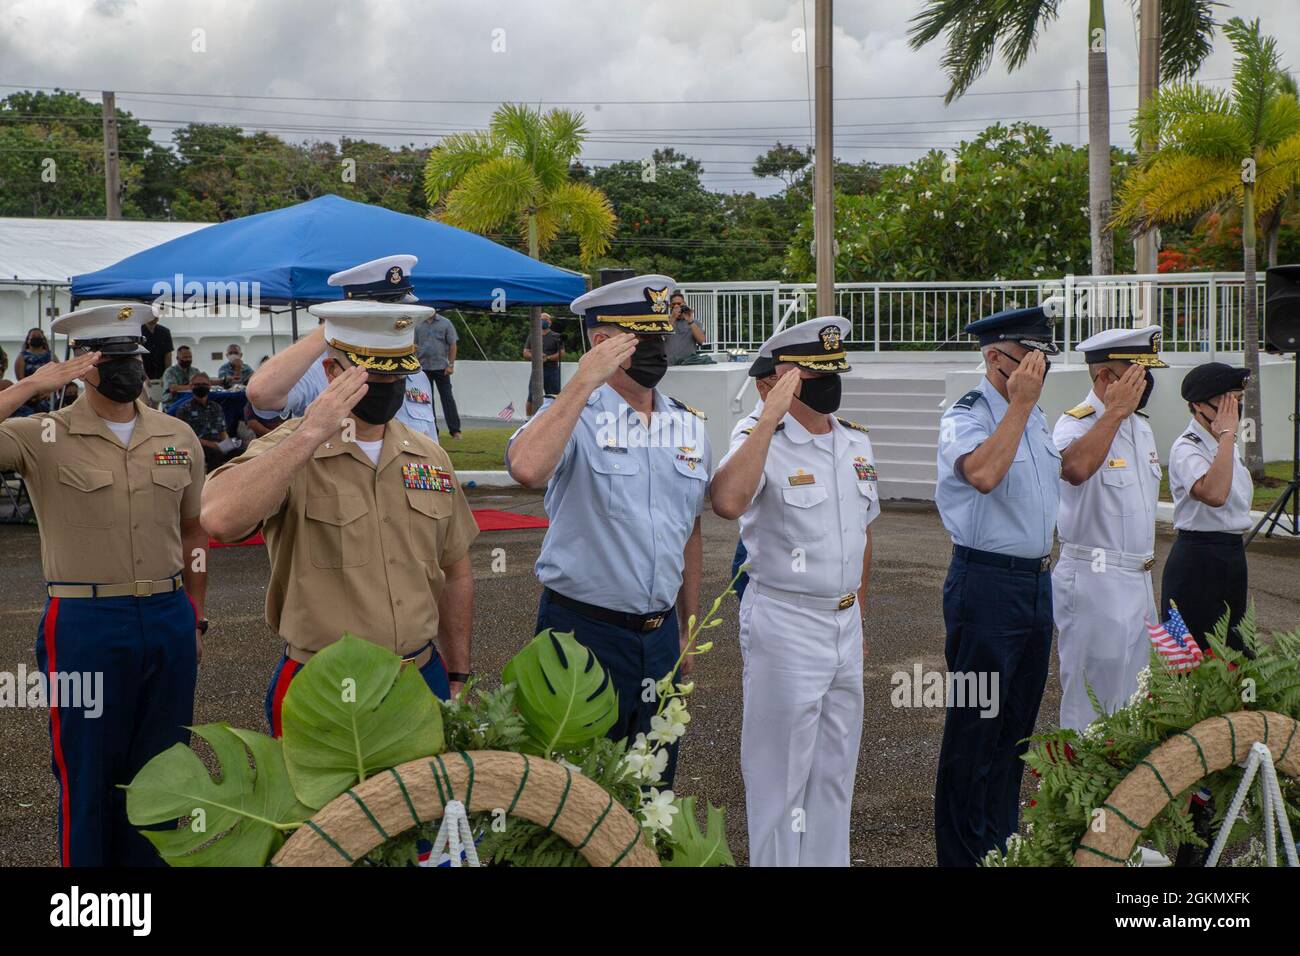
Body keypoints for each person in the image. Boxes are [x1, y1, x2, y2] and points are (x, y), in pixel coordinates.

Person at [201, 300, 478, 736]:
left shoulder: (428, 456)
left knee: (422, 804)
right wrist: (311, 432)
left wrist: (458, 673)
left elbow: (455, 568)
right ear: (332, 372)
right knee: (322, 807)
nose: (388, 384)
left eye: (397, 372)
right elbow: (220, 519)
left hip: (421, 677)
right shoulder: (292, 449)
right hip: (325, 682)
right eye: (374, 373)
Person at [0, 303, 207, 866]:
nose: (130, 370)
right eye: (113, 360)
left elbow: (194, 531)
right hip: (86, 623)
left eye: (134, 357)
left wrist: (196, 611)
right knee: (88, 769)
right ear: (84, 365)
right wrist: (33, 384)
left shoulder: (178, 434)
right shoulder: (42, 434)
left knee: (165, 768)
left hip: (168, 614)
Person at [506, 274, 711, 787]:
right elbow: (528, 468)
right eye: (644, 338)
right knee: (573, 793)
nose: (659, 349)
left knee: (652, 786)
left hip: (660, 637)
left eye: (662, 336)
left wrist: (687, 626)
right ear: (602, 343)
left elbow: (690, 530)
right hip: (583, 633)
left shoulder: (687, 424)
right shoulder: (572, 415)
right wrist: (582, 382)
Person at [710, 317, 877, 867]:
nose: (829, 384)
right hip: (786, 621)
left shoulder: (854, 439)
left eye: (832, 371)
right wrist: (768, 417)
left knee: (834, 774)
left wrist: (860, 617)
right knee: (779, 781)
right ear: (774, 382)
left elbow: (862, 536)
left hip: (843, 625)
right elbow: (728, 501)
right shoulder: (759, 438)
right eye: (813, 375)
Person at [933, 302, 1061, 867]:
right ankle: (961, 858)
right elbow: (983, 474)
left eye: (1043, 360)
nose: (1039, 371)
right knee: (974, 732)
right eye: (1029, 359)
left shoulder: (1031, 414)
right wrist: (1022, 404)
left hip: (1035, 586)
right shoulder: (969, 412)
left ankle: (1002, 847)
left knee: (1015, 733)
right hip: (984, 585)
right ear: (994, 357)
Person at [1051, 327, 1167, 732]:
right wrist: (1114, 413)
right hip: (1095, 579)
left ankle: (1123, 794)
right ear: (1105, 378)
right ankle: (1078, 792)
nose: (1147, 384)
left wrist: (1123, 415)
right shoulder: (1075, 424)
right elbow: (1075, 468)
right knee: (1092, 704)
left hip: (1138, 579)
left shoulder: (1141, 426)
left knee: (1134, 704)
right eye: (1137, 374)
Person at [246, 255, 441, 445]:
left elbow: (429, 445)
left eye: (398, 311)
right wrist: (337, 325)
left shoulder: (415, 374)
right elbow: (261, 393)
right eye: (381, 313)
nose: (394, 319)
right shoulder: (330, 367)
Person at [1162, 362, 1254, 653]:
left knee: (1235, 651)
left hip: (1231, 554)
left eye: (1237, 403)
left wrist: (1226, 438)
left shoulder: (1226, 444)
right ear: (1197, 405)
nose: (1233, 413)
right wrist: (1228, 435)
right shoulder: (1187, 447)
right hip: (1198, 558)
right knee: (1194, 654)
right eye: (1224, 404)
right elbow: (1214, 494)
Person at [175, 372, 238, 471]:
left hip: (217, 445)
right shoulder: (184, 409)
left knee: (240, 452)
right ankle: (212, 483)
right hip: (196, 446)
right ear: (191, 387)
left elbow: (222, 431)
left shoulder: (216, 407)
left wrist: (228, 444)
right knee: (215, 454)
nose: (201, 387)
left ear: (209, 386)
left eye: (204, 384)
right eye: (197, 385)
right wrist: (213, 445)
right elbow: (186, 436)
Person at [415, 308, 462, 438]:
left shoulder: (446, 323)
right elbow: (413, 345)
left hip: (442, 368)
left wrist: (451, 365)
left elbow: (453, 344)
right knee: (426, 401)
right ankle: (432, 431)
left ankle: (455, 430)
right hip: (423, 368)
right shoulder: (417, 325)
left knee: (447, 398)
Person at [15, 327, 59, 414]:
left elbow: (58, 374)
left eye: (38, 336)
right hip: (29, 395)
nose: (36, 337)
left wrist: (49, 391)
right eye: (33, 336)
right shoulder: (22, 357)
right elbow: (20, 378)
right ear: (28, 340)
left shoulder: (51, 355)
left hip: (48, 394)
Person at [523, 313, 565, 400]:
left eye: (546, 319)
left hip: (552, 371)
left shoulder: (556, 336)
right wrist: (537, 357)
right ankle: (529, 414)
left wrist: (548, 358)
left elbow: (562, 353)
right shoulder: (532, 335)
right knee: (531, 398)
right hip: (536, 371)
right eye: (541, 319)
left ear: (550, 322)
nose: (543, 321)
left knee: (554, 397)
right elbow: (525, 353)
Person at [140, 312, 174, 405]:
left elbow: (168, 355)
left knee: (156, 403)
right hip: (143, 373)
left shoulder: (165, 332)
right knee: (144, 402)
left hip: (160, 374)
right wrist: (143, 375)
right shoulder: (138, 332)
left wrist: (165, 376)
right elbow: (137, 356)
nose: (155, 317)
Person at [667, 292, 709, 365]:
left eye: (679, 304)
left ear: (684, 304)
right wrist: (673, 317)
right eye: (674, 304)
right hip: (669, 364)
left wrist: (690, 321)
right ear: (670, 306)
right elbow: (663, 336)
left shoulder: (694, 322)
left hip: (688, 364)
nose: (677, 306)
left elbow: (701, 340)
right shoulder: (665, 322)